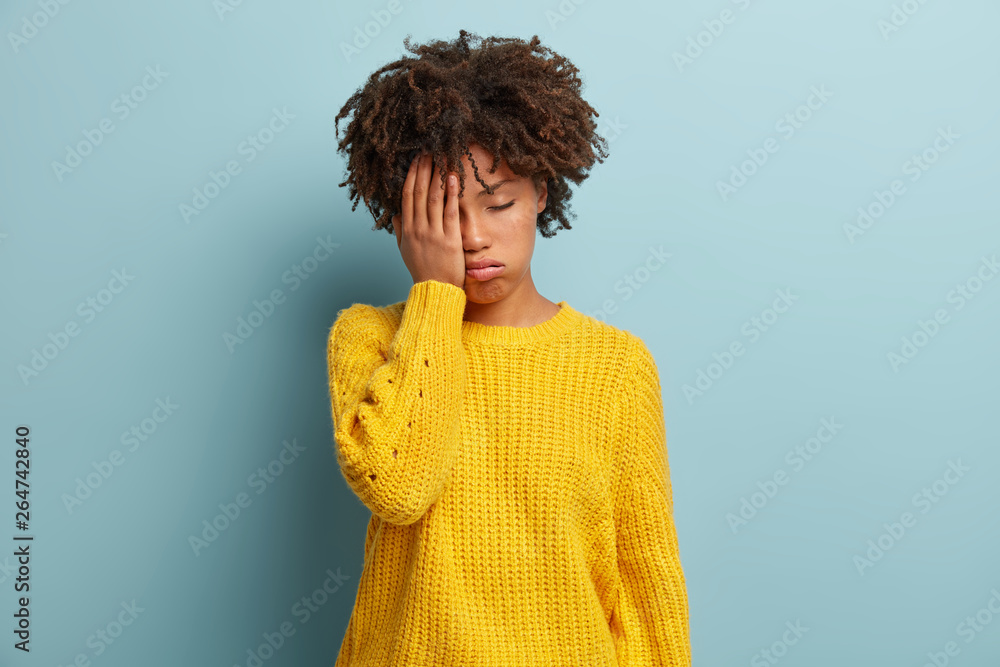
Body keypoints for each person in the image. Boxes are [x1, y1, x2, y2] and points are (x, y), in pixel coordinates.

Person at [327, 29, 691, 666]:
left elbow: (646, 584)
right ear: (404, 218)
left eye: (498, 204)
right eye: (444, 213)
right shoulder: (369, 338)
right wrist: (436, 296)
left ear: (541, 192)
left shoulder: (616, 366)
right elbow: (399, 487)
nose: (472, 237)